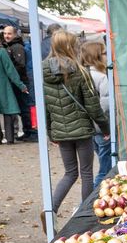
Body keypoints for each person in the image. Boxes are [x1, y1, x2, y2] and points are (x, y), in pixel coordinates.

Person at [43, 30, 108, 217]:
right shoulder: (79, 71)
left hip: (60, 131)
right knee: (86, 172)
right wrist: (104, 128)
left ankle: (52, 209)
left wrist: (51, 132)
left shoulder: (43, 70)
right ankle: (85, 212)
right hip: (82, 131)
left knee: (70, 173)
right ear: (71, 47)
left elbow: (45, 105)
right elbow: (92, 104)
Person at [79, 40, 114, 190]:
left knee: (101, 162)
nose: (107, 56)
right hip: (102, 128)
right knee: (105, 169)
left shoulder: (81, 75)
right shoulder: (101, 77)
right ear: (97, 56)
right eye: (104, 53)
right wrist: (105, 127)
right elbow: (105, 105)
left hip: (87, 128)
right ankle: (86, 203)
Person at [1, 24, 35, 141]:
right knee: (23, 108)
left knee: (26, 107)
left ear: (15, 34)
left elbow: (20, 65)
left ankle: (32, 133)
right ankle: (28, 131)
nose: (6, 36)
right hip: (17, 81)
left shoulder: (17, 47)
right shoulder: (8, 46)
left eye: (9, 33)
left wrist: (10, 74)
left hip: (22, 81)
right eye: (5, 33)